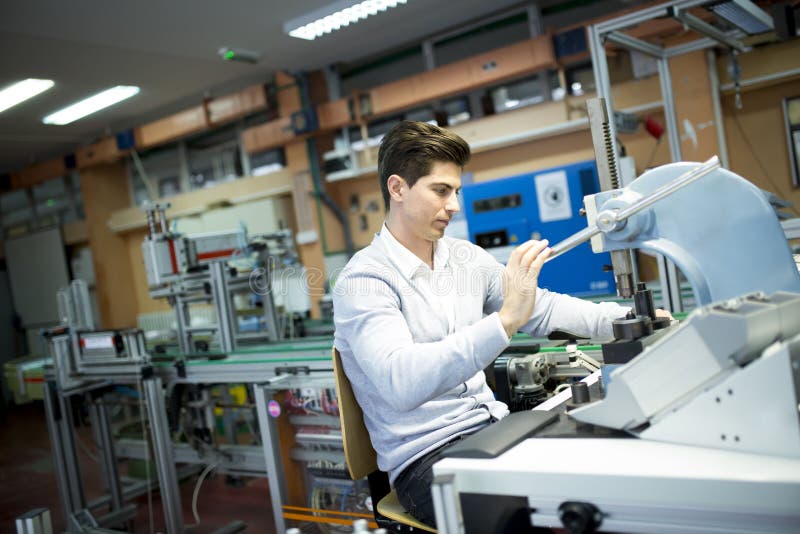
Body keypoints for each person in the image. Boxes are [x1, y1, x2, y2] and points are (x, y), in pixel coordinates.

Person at [333, 120, 649, 527]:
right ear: (397, 189)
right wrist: (503, 323)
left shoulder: (464, 259)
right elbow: (401, 382)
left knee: (609, 465)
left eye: (457, 191)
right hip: (425, 460)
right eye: (441, 191)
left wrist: (626, 321)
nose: (455, 206)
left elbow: (542, 309)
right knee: (541, 513)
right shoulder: (364, 281)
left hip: (493, 427)